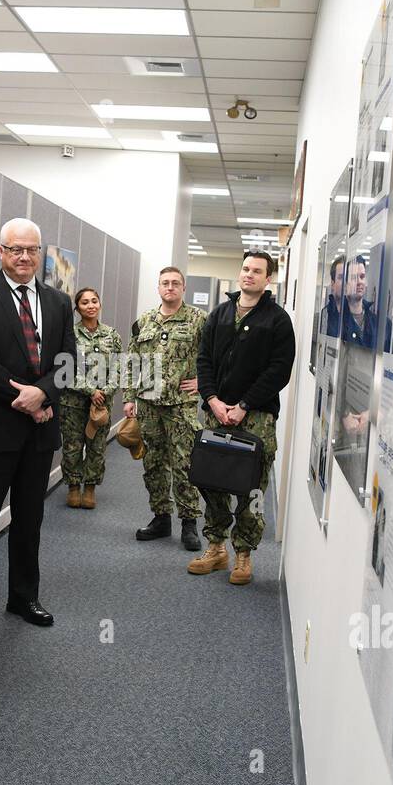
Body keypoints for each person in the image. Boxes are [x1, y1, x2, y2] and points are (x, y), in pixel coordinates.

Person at [0, 218, 76, 637]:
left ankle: (24, 597)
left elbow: (68, 362)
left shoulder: (59, 302)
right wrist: (26, 400)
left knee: (30, 519)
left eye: (31, 250)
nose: (24, 256)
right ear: (0, 251)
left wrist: (43, 395)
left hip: (39, 432)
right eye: (15, 249)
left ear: (40, 254)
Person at [188, 251, 296, 585]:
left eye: (257, 271)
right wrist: (213, 400)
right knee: (211, 480)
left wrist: (244, 404)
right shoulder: (219, 314)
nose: (248, 275)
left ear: (269, 279)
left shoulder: (276, 320)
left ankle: (244, 555)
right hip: (216, 412)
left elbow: (279, 370)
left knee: (252, 489)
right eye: (245, 269)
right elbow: (203, 360)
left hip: (256, 416)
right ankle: (216, 547)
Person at [123, 267, 208, 551]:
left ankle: (189, 523)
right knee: (153, 464)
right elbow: (132, 361)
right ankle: (161, 518)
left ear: (183, 288)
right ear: (158, 287)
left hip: (181, 407)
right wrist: (129, 398)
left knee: (185, 465)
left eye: (175, 283)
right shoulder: (144, 321)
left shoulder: (199, 320)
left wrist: (204, 382)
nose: (170, 287)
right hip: (148, 405)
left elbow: (217, 356)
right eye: (165, 283)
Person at [60, 287, 122, 510]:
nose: (90, 305)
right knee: (73, 446)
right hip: (73, 403)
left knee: (96, 448)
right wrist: (90, 391)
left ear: (100, 304)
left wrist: (105, 391)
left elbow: (118, 367)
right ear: (77, 308)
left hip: (102, 404)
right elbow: (65, 367)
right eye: (84, 302)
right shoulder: (69, 334)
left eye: (94, 301)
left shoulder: (111, 334)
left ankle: (90, 488)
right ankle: (74, 486)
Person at [341, 256, 380, 348]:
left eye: (362, 277)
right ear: (346, 284)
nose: (359, 282)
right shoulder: (337, 318)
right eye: (354, 277)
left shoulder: (376, 323)